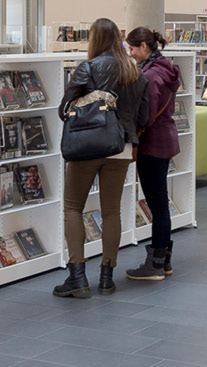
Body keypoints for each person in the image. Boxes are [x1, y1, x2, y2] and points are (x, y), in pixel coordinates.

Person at [53, 18, 145, 299]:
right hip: (121, 147)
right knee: (112, 211)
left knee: (73, 207)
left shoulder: (88, 68)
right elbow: (143, 115)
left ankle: (77, 277)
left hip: (87, 146)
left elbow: (64, 109)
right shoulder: (135, 70)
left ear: (94, 39)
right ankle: (107, 278)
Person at [125, 28, 181, 281]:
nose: (131, 54)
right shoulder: (166, 69)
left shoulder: (150, 75)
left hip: (152, 144)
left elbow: (146, 116)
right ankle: (164, 261)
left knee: (157, 204)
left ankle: (156, 264)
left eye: (133, 48)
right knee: (160, 203)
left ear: (144, 46)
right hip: (165, 139)